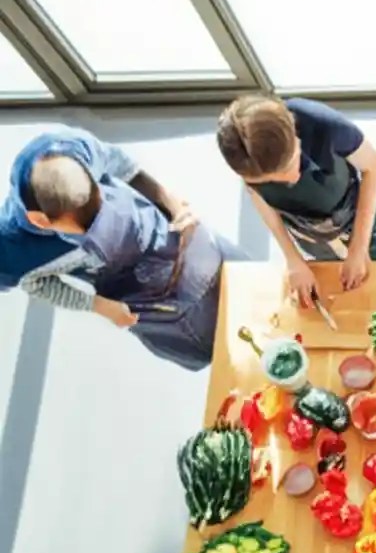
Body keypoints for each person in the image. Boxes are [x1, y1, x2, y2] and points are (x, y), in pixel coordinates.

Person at [0, 127, 241, 371]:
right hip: (140, 292)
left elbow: (126, 168)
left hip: (171, 238)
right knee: (227, 355)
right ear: (40, 220)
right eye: (91, 233)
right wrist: (99, 306)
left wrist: (171, 202)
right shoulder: (12, 253)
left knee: (254, 285)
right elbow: (36, 284)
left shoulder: (72, 149)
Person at [216, 95, 376, 305]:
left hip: (366, 216)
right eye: (274, 180)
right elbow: (259, 198)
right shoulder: (247, 160)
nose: (293, 179)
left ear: (294, 132)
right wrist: (293, 259)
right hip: (313, 234)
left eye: (292, 163)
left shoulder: (324, 124)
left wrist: (359, 247)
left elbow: (373, 167)